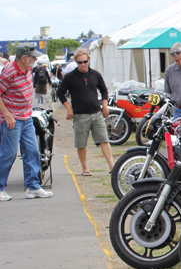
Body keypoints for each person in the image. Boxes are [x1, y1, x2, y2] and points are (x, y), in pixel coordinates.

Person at [0, 44, 54, 200]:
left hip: (26, 117)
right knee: (8, 154)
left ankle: (33, 187)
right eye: (33, 56)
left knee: (32, 152)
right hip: (12, 119)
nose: (36, 59)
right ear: (23, 58)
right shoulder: (9, 72)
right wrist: (7, 115)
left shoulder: (27, 68)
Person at [56, 47, 114, 176]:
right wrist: (68, 108)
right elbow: (60, 93)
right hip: (80, 114)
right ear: (76, 63)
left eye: (85, 61)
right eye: (79, 62)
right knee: (81, 142)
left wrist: (104, 105)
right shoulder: (70, 77)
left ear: (89, 60)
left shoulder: (95, 74)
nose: (83, 65)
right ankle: (85, 168)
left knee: (104, 139)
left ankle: (112, 166)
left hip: (96, 112)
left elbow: (104, 90)